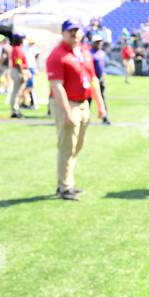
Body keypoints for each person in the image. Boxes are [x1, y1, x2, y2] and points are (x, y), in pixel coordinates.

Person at [46, 20, 105, 201]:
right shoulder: (58, 55)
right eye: (70, 31)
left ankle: (67, 181)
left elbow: (93, 79)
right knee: (67, 146)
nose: (74, 34)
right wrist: (67, 111)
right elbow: (56, 86)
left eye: (76, 31)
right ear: (63, 33)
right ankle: (64, 186)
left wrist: (100, 104)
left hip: (83, 102)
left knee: (77, 145)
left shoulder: (84, 52)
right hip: (67, 103)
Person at [7, 33, 28, 119]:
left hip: (18, 70)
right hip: (18, 71)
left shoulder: (17, 48)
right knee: (16, 92)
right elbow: (18, 62)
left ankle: (16, 109)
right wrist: (22, 72)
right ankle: (14, 110)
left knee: (18, 92)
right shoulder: (16, 49)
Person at [91, 38, 111, 125]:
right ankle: (84, 116)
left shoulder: (102, 53)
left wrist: (103, 75)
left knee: (102, 98)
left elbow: (103, 66)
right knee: (88, 99)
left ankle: (105, 117)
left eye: (100, 42)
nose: (99, 44)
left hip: (101, 79)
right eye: (97, 42)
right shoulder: (89, 53)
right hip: (92, 79)